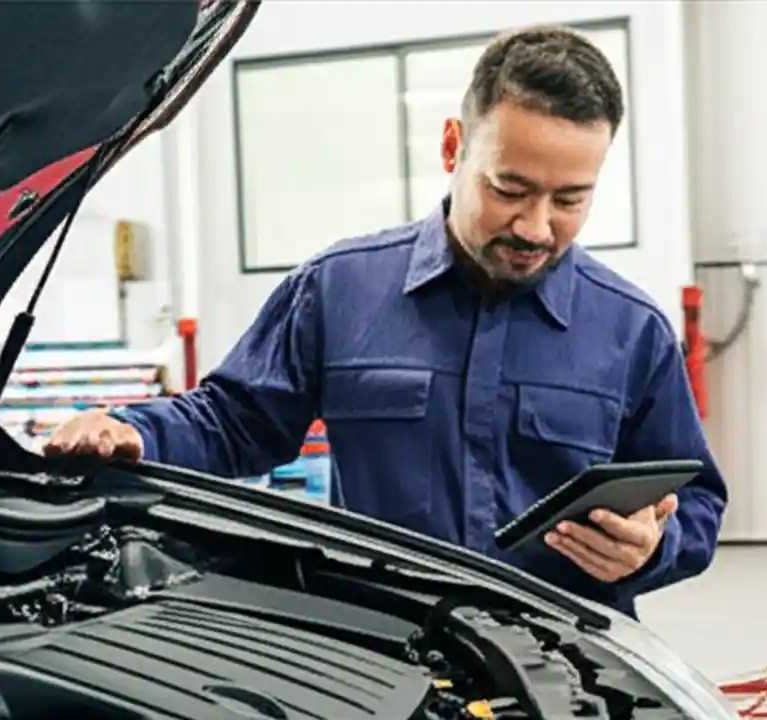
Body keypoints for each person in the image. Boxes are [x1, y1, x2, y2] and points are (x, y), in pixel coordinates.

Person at [44, 24, 726, 618]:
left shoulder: (632, 330)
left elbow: (696, 503)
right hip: (386, 650)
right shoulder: (340, 290)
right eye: (509, 188)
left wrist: (651, 547)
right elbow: (234, 420)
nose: (536, 225)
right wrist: (131, 431)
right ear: (454, 146)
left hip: (563, 662)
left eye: (571, 199)